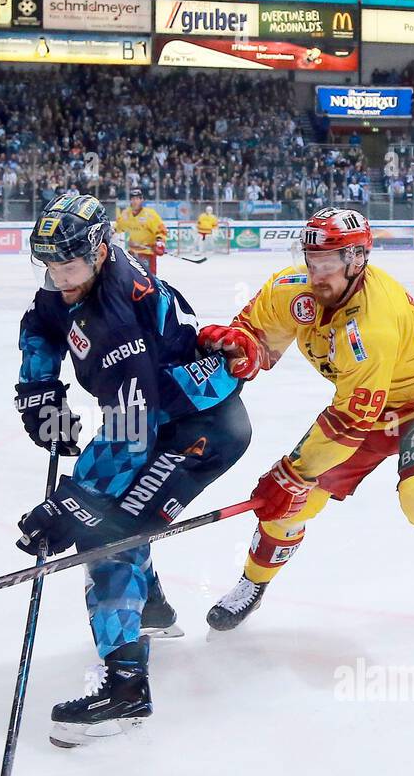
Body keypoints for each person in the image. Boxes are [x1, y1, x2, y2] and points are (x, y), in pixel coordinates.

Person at [199, 207, 414, 685]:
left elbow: (349, 422)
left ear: (356, 260)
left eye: (327, 262)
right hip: (365, 406)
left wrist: (291, 473)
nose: (315, 272)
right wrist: (242, 347)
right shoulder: (294, 289)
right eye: (310, 258)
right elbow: (257, 332)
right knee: (290, 507)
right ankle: (254, 581)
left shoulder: (373, 322)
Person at [15, 193, 251, 747]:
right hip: (161, 417)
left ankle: (126, 691)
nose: (57, 277)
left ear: (100, 251)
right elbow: (42, 325)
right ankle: (151, 607)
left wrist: (70, 503)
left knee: (110, 534)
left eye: (67, 266)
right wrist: (39, 391)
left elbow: (128, 429)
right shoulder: (74, 278)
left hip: (200, 430)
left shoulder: (115, 310)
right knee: (116, 519)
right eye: (47, 265)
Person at [114, 187, 168, 275]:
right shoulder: (126, 214)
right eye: (133, 199)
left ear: (142, 200)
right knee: (131, 279)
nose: (135, 201)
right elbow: (118, 226)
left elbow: (161, 230)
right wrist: (110, 231)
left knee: (150, 280)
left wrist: (159, 243)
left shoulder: (150, 215)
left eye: (137, 199)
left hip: (147, 253)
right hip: (132, 254)